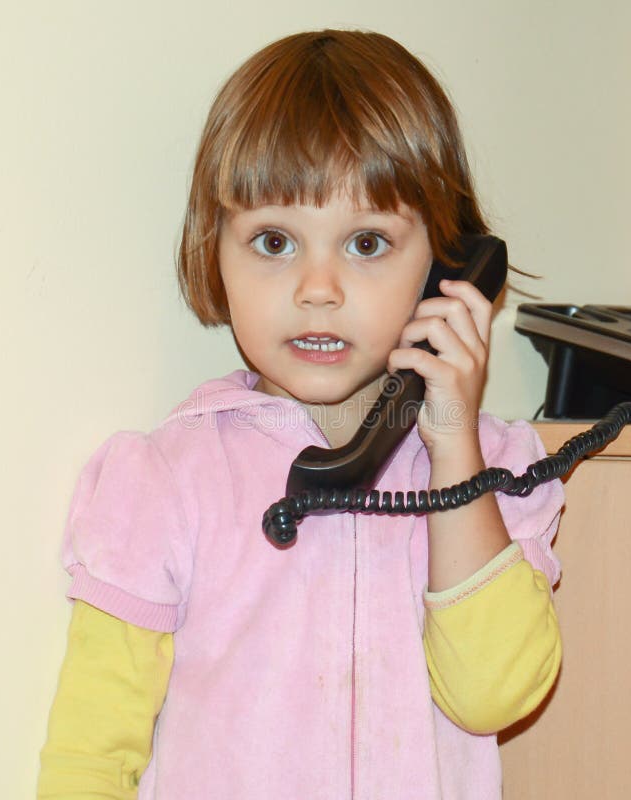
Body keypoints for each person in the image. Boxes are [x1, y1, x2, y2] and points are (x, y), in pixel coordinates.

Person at [37, 29, 564, 800]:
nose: (319, 287)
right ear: (212, 249)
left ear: (448, 267)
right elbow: (90, 751)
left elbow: (493, 694)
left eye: (368, 242)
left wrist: (453, 453)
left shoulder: (496, 479)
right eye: (275, 241)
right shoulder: (167, 481)